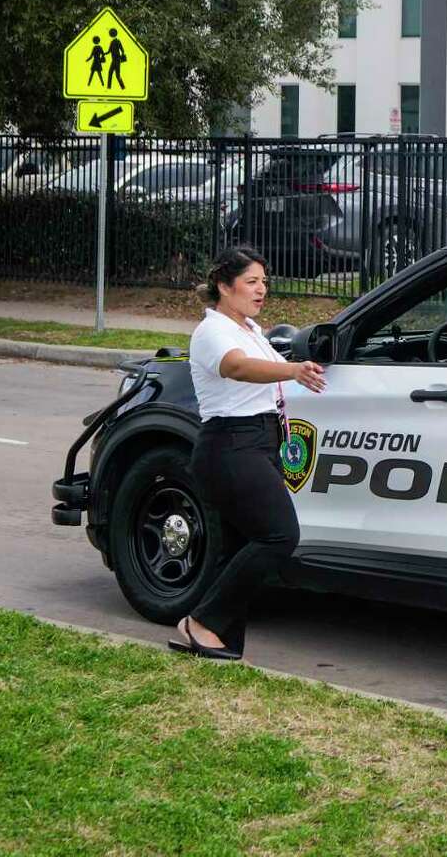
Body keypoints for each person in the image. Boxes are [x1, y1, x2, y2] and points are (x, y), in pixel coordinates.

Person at [175, 246, 325, 661]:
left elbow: (277, 366)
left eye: (264, 282)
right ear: (225, 286)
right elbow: (237, 368)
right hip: (230, 444)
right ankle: (200, 623)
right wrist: (292, 370)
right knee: (280, 535)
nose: (262, 290)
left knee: (237, 546)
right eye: (252, 282)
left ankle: (219, 641)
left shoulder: (251, 329)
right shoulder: (213, 331)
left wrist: (307, 363)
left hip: (259, 440)